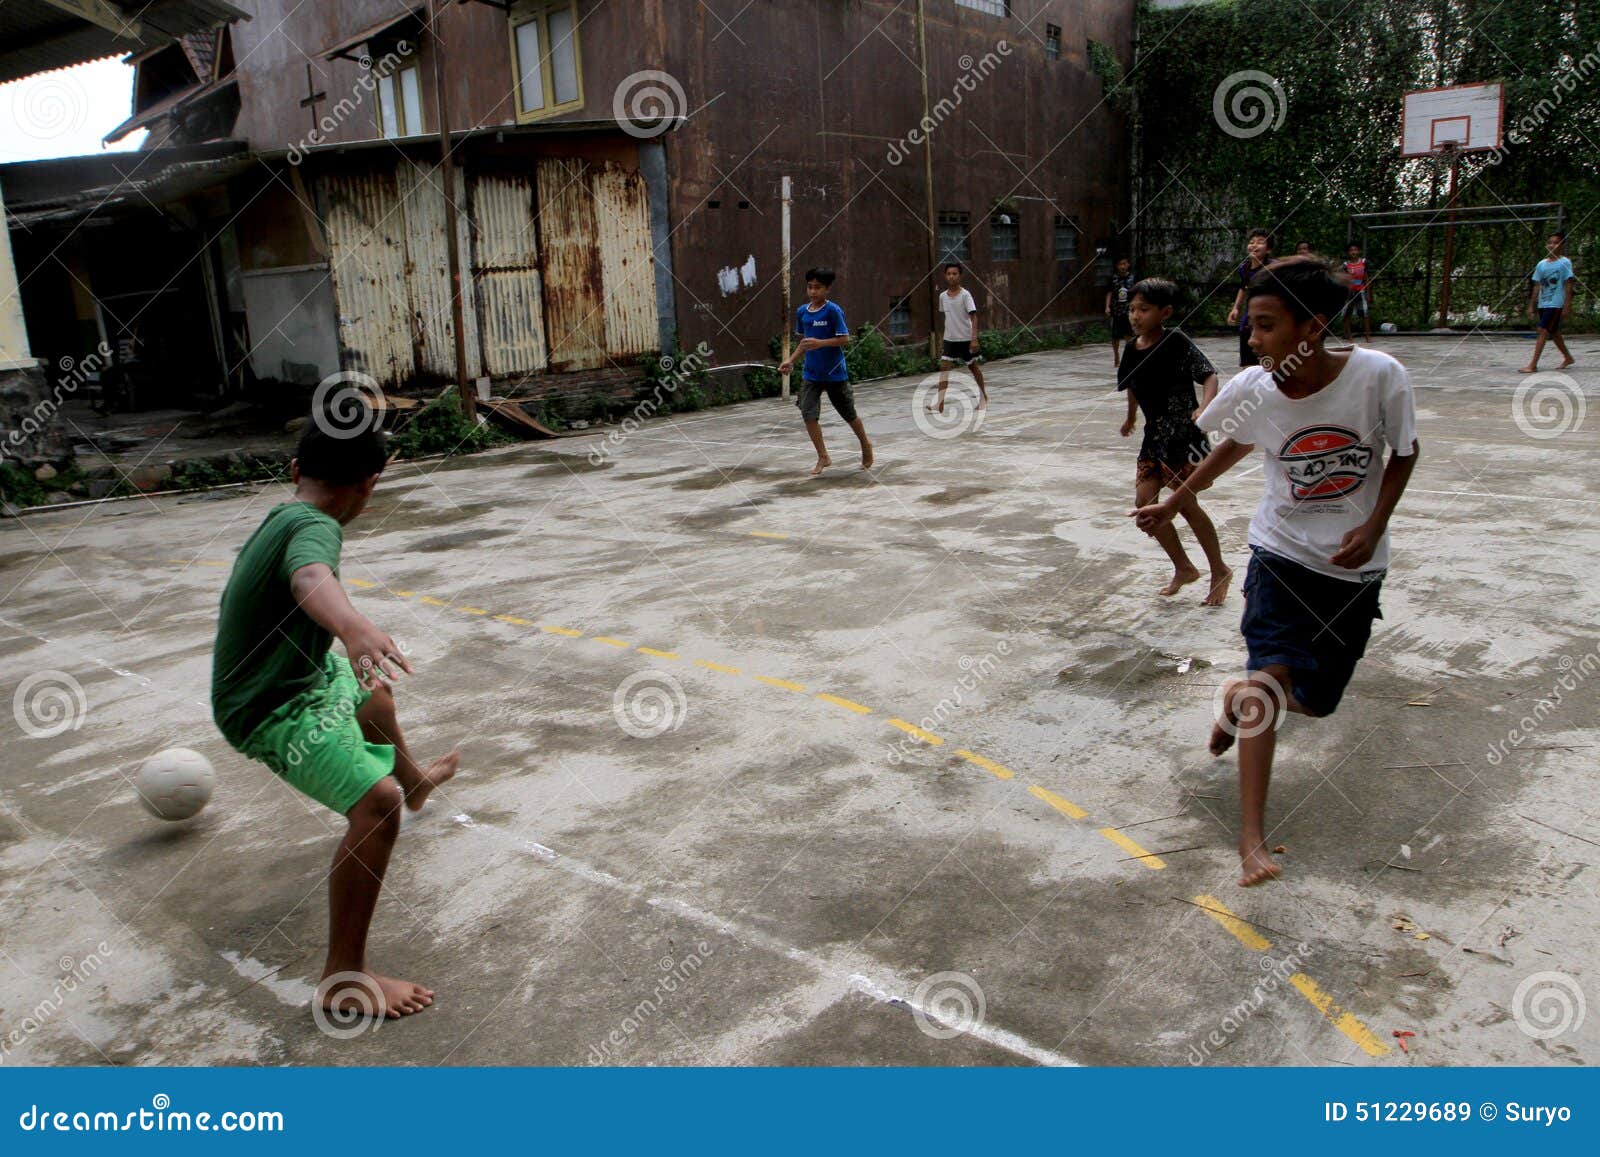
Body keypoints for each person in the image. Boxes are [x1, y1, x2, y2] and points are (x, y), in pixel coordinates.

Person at [1133, 257, 1419, 887]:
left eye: (1266, 326)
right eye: (1251, 326)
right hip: (1279, 555)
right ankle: (1251, 839)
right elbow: (1235, 441)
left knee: (1316, 703)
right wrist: (1175, 501)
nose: (1254, 339)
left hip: (1353, 568)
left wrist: (1373, 525)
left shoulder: (1379, 377)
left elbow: (1404, 452)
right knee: (1268, 679)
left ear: (1312, 326)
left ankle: (1239, 699)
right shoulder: (1254, 388)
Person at [211, 417, 459, 1019]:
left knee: (374, 693)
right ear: (370, 484)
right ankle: (343, 977)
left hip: (298, 673)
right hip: (267, 705)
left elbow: (304, 579)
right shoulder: (313, 527)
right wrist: (352, 627)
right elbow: (308, 575)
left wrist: (346, 641)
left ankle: (415, 780)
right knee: (376, 804)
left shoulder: (285, 513)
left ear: (296, 470)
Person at [1116, 277, 1231, 605]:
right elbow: (1132, 385)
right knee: (1145, 506)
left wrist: (1205, 407)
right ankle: (1183, 567)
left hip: (1183, 437)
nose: (1135, 316)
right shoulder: (1131, 348)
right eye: (1132, 309)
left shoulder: (1176, 342)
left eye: (1144, 309)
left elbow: (1209, 375)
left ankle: (1219, 570)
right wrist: (1131, 417)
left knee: (1186, 505)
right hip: (1154, 437)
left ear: (1164, 312)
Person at [780, 267, 873, 475]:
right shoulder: (802, 312)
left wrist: (821, 343)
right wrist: (790, 361)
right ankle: (823, 456)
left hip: (834, 373)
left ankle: (866, 445)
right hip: (811, 374)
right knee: (808, 413)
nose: (813, 291)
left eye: (818, 287)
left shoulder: (833, 311)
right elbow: (804, 343)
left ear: (827, 289)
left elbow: (845, 339)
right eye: (810, 287)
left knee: (848, 413)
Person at [931, 262, 988, 412]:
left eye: (954, 274)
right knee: (944, 369)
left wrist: (974, 338)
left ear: (960, 276)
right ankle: (940, 403)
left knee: (973, 368)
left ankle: (983, 398)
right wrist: (941, 338)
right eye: (949, 274)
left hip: (965, 339)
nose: (951, 276)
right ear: (945, 276)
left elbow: (974, 317)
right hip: (950, 339)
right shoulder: (943, 296)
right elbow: (945, 317)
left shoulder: (965, 295)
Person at [1522, 231, 1576, 373]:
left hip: (1556, 303)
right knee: (1554, 332)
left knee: (1542, 330)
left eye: (1556, 242)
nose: (1552, 245)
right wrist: (1531, 305)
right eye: (1550, 242)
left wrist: (1567, 304)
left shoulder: (1565, 262)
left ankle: (1533, 365)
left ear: (1562, 245)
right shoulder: (1541, 264)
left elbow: (1568, 284)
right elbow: (1537, 285)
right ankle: (1568, 357)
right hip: (1543, 303)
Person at [1226, 229, 1273, 367]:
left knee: (1266, 355)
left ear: (1268, 249)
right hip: (1250, 315)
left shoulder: (1272, 268)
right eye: (1252, 242)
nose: (1254, 245)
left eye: (1260, 242)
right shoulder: (1244, 268)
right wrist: (1235, 308)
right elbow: (1243, 288)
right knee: (1247, 354)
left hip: (1268, 315)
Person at [1105, 256, 1136, 367]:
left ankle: (1129, 356)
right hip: (1116, 310)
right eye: (1120, 264)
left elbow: (1137, 294)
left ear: (1128, 265)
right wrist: (1107, 307)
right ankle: (1116, 356)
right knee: (1115, 335)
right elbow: (1109, 293)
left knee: (1128, 334)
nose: (1122, 266)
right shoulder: (1113, 278)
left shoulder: (1133, 278)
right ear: (1117, 266)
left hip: (1129, 310)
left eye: (1124, 264)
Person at [1341, 242, 1372, 343]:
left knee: (1365, 313)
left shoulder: (1363, 262)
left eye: (1355, 250)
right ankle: (1349, 336)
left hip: (1361, 291)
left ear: (1358, 251)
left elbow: (1366, 279)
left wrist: (1368, 293)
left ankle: (1368, 336)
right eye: (1351, 250)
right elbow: (1343, 279)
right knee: (1347, 314)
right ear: (1348, 252)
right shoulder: (1346, 265)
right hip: (1349, 292)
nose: (1353, 252)